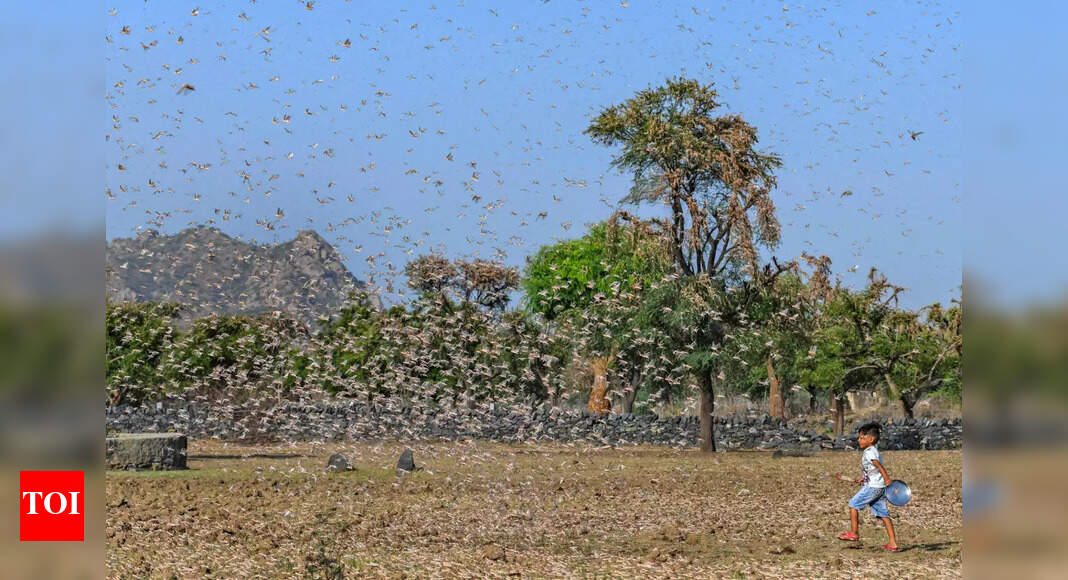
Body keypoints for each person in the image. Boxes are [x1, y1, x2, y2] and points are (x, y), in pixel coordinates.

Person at [837, 422, 899, 551]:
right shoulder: (873, 451)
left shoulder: (870, 452)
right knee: (883, 514)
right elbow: (872, 470)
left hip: (873, 487)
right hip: (879, 487)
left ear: (870, 439)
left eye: (861, 437)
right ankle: (893, 543)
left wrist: (887, 478)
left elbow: (878, 466)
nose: (858, 440)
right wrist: (864, 479)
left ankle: (854, 533)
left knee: (853, 505)